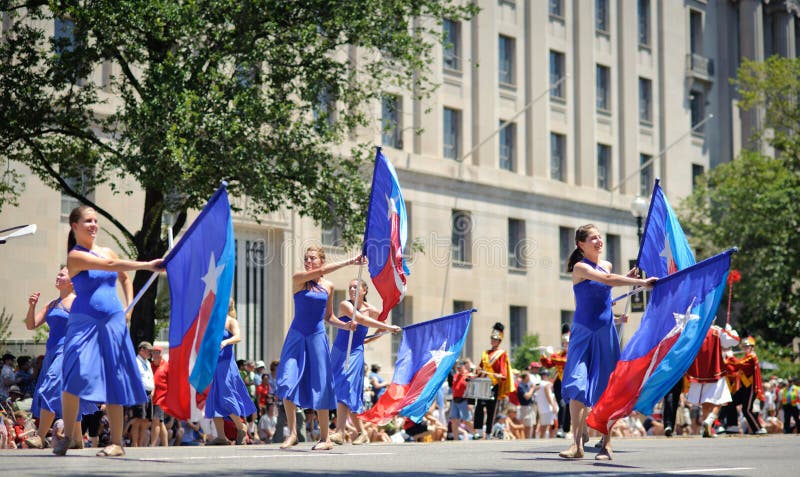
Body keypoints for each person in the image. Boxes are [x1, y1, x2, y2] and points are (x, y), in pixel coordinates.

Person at [53, 205, 163, 457]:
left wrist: (129, 310)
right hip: (84, 322)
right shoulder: (75, 256)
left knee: (115, 377)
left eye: (95, 221)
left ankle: (116, 443)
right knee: (73, 373)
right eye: (88, 221)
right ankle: (69, 436)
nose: (93, 225)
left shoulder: (107, 250)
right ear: (75, 226)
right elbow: (111, 265)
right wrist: (148, 265)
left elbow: (124, 277)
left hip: (113, 321)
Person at [559, 224, 656, 460]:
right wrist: (642, 283)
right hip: (582, 332)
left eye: (600, 237)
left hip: (605, 331)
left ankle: (607, 444)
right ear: (581, 244)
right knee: (576, 384)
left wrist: (628, 279)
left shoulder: (608, 265)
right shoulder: (580, 267)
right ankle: (577, 445)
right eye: (593, 238)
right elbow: (608, 280)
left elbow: (606, 287)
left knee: (606, 387)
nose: (599, 241)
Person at [274, 246, 363, 450]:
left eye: (312, 258)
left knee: (321, 385)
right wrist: (349, 262)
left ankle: (325, 439)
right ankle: (293, 433)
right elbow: (318, 273)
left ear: (321, 260)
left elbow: (329, 317)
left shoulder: (329, 287)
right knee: (287, 381)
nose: (308, 260)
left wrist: (345, 325)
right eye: (306, 258)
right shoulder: (299, 278)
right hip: (296, 336)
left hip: (317, 337)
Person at [26, 267, 95, 449]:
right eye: (58, 273)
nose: (58, 276)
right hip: (51, 353)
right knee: (71, 395)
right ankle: (78, 440)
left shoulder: (77, 302)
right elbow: (31, 325)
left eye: (62, 274)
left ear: (72, 281)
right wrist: (32, 306)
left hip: (68, 352)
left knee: (49, 388)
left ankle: (40, 436)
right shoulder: (52, 303)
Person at [330, 279, 400, 446]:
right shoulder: (345, 305)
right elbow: (362, 320)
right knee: (345, 390)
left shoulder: (373, 311)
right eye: (350, 287)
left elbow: (379, 328)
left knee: (346, 385)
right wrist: (389, 327)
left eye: (356, 287)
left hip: (355, 353)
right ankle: (361, 432)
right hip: (339, 351)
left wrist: (368, 340)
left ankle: (340, 432)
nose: (352, 289)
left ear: (364, 290)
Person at [205, 299, 257, 445]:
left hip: (226, 365)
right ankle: (221, 436)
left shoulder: (231, 321)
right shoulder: (214, 321)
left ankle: (241, 427)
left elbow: (238, 337)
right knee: (214, 399)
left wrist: (225, 342)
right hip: (215, 365)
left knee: (226, 397)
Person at [685, 324, 739, 437]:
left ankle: (707, 430)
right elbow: (733, 341)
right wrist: (730, 330)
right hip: (715, 371)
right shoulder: (716, 330)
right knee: (720, 400)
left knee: (706, 402)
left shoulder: (696, 329)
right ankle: (709, 420)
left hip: (699, 373)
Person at [473, 322, 515, 439]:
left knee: (491, 408)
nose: (493, 340)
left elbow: (502, 372)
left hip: (493, 383)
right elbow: (480, 367)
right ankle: (479, 431)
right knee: (479, 407)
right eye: (492, 338)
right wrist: (478, 370)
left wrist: (499, 375)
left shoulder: (501, 354)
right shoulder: (485, 353)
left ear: (499, 340)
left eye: (495, 339)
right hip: (484, 383)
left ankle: (488, 433)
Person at [725, 336, 766, 434]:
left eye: (747, 347)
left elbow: (739, 364)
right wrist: (725, 360)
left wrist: (730, 357)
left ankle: (759, 428)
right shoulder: (746, 357)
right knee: (731, 403)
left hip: (751, 387)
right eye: (744, 347)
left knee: (746, 410)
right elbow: (735, 368)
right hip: (744, 387)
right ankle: (733, 426)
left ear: (752, 347)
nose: (745, 349)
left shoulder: (752, 356)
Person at [130, 341, 154, 447]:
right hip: (140, 392)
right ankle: (134, 444)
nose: (150, 353)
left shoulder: (148, 363)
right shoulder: (135, 361)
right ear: (141, 350)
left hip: (149, 393)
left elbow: (151, 378)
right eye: (149, 351)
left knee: (146, 420)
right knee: (138, 419)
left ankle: (140, 444)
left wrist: (152, 391)